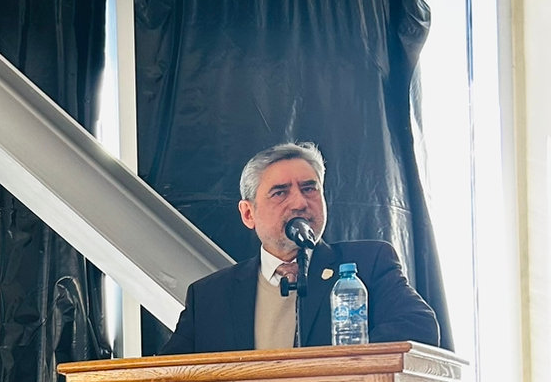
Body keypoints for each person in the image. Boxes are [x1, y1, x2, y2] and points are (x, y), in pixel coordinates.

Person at [160, 142, 440, 354]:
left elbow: (420, 327)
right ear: (248, 214)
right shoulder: (210, 296)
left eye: (309, 189)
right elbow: (168, 376)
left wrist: (339, 368)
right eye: (280, 192)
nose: (299, 203)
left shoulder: (368, 264)